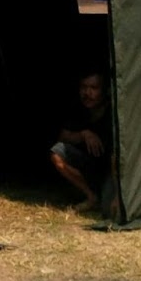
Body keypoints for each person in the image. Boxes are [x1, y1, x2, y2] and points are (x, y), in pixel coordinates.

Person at [51, 70, 113, 214]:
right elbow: (63, 137)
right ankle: (91, 196)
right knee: (57, 152)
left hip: (111, 169)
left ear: (106, 90)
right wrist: (84, 134)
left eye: (93, 88)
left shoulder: (113, 112)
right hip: (88, 165)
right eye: (84, 87)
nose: (87, 93)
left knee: (108, 209)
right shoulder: (79, 108)